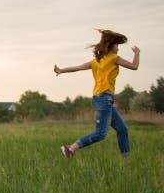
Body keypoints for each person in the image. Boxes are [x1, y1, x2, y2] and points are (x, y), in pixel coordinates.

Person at [55, 29, 140, 158]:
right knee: (101, 134)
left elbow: (77, 68)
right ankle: (70, 149)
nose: (118, 48)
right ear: (111, 47)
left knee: (122, 130)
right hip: (104, 99)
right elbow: (134, 66)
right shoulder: (114, 58)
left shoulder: (96, 61)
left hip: (102, 99)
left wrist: (62, 70)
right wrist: (137, 53)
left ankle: (126, 162)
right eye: (117, 46)